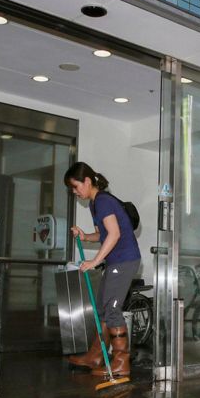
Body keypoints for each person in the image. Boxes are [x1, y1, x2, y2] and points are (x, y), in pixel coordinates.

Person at [65, 162, 141, 378]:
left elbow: (115, 234)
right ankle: (95, 356)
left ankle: (121, 363)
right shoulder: (95, 204)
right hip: (116, 262)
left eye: (75, 186)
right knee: (102, 309)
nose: (74, 191)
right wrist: (84, 236)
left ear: (87, 181)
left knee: (112, 310)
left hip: (124, 261)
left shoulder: (104, 201)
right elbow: (103, 235)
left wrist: (95, 261)